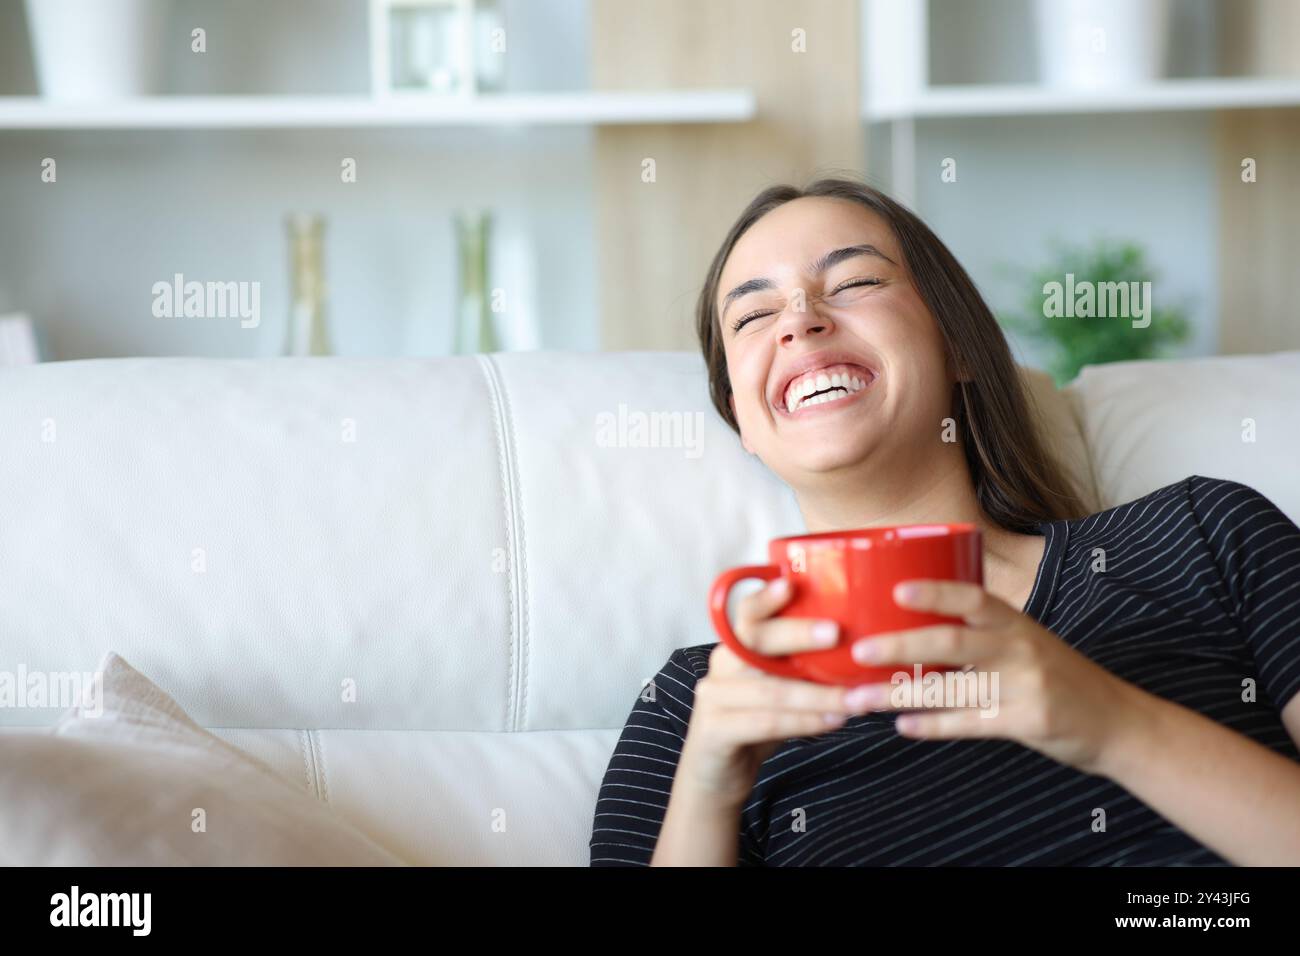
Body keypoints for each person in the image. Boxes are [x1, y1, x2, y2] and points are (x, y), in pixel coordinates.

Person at [588, 176, 1300, 866]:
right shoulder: (697, 708)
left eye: (854, 283)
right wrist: (709, 794)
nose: (801, 320)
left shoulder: (1204, 536)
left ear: (957, 342)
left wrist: (1114, 724)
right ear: (738, 414)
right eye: (752, 316)